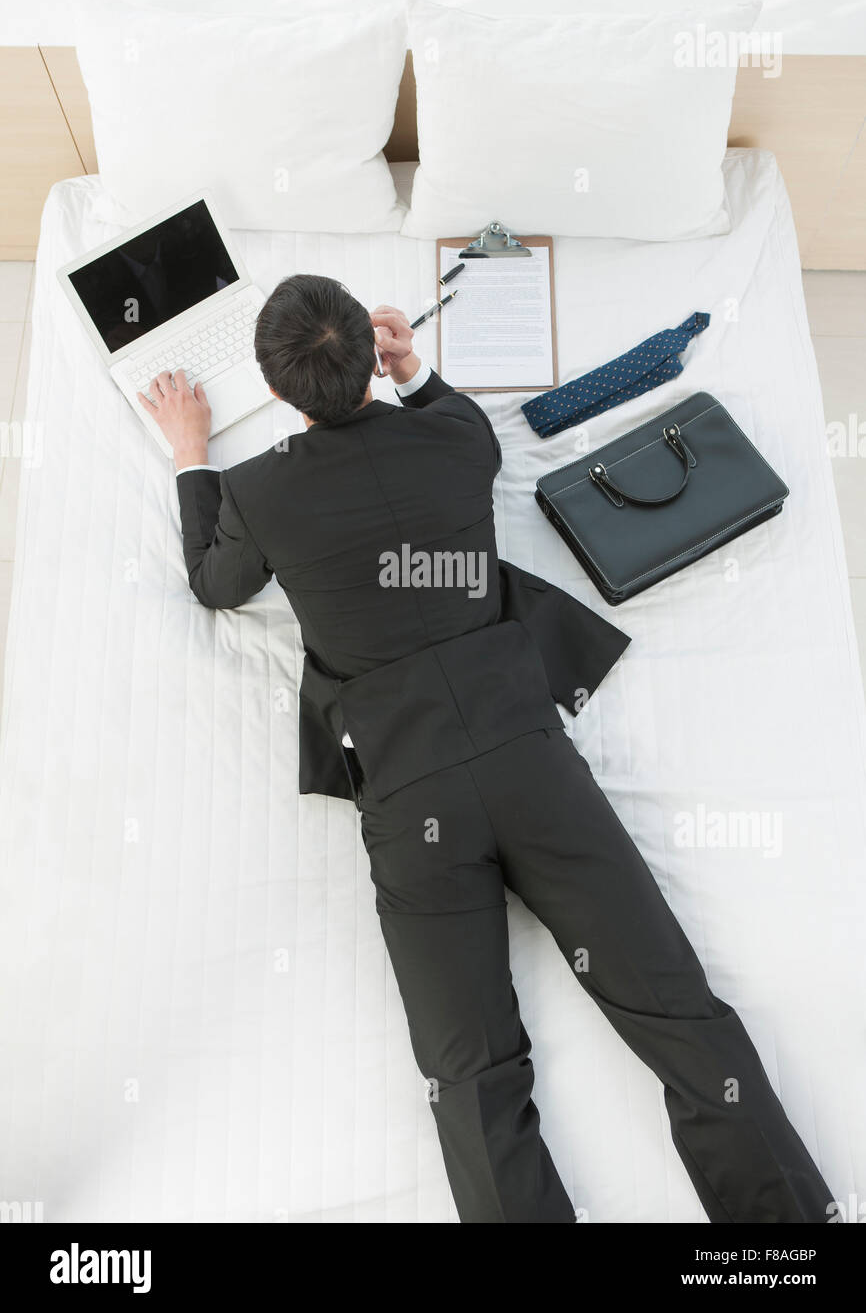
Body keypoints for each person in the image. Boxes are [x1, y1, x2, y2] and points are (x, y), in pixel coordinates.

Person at [138, 273, 835, 1224]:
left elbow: (217, 588)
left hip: (409, 784)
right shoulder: (456, 441)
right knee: (674, 1007)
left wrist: (188, 454)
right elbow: (459, 424)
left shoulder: (253, 493)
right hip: (524, 750)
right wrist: (416, 373)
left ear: (277, 394)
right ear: (369, 353)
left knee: (472, 1073)